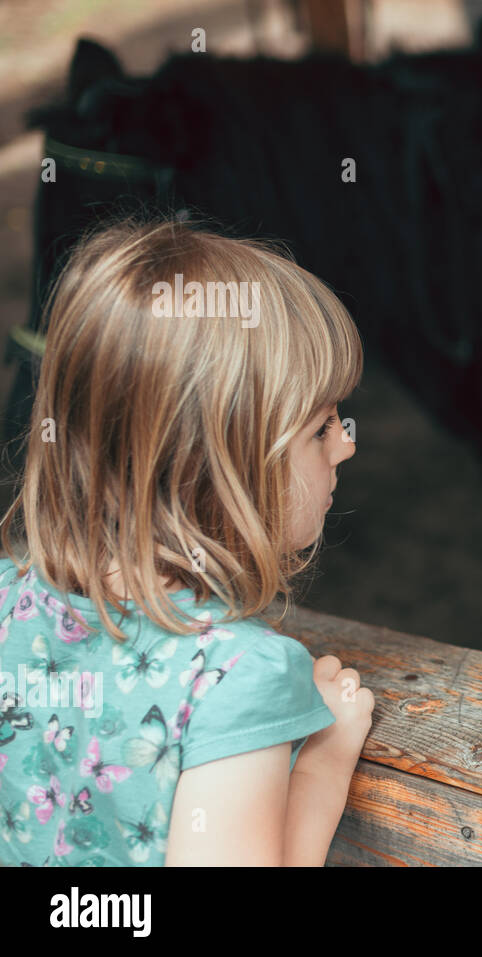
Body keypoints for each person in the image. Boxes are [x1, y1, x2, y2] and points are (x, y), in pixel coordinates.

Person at [0, 218, 373, 865]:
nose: (347, 442)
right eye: (320, 428)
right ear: (220, 466)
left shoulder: (11, 605)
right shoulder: (235, 679)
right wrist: (326, 758)